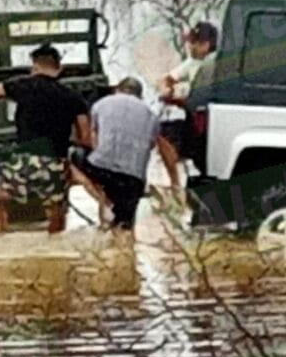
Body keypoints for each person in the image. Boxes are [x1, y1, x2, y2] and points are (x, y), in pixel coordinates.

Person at [0, 43, 91, 235]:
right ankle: (55, 246)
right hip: (56, 161)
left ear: (35, 66)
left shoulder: (22, 86)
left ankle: (1, 241)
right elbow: (85, 138)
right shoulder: (73, 97)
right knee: (57, 214)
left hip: (25, 160)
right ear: (59, 68)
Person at [69, 76, 159, 233]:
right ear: (140, 95)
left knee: (77, 161)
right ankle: (121, 235)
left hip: (100, 168)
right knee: (124, 227)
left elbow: (91, 137)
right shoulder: (152, 115)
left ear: (117, 89)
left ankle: (103, 202)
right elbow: (151, 145)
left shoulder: (100, 104)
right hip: (133, 177)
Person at [155, 21, 217, 202]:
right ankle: (175, 183)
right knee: (166, 134)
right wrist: (167, 89)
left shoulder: (215, 63)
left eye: (194, 43)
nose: (190, 47)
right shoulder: (192, 63)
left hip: (209, 117)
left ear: (206, 44)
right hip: (193, 114)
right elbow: (167, 79)